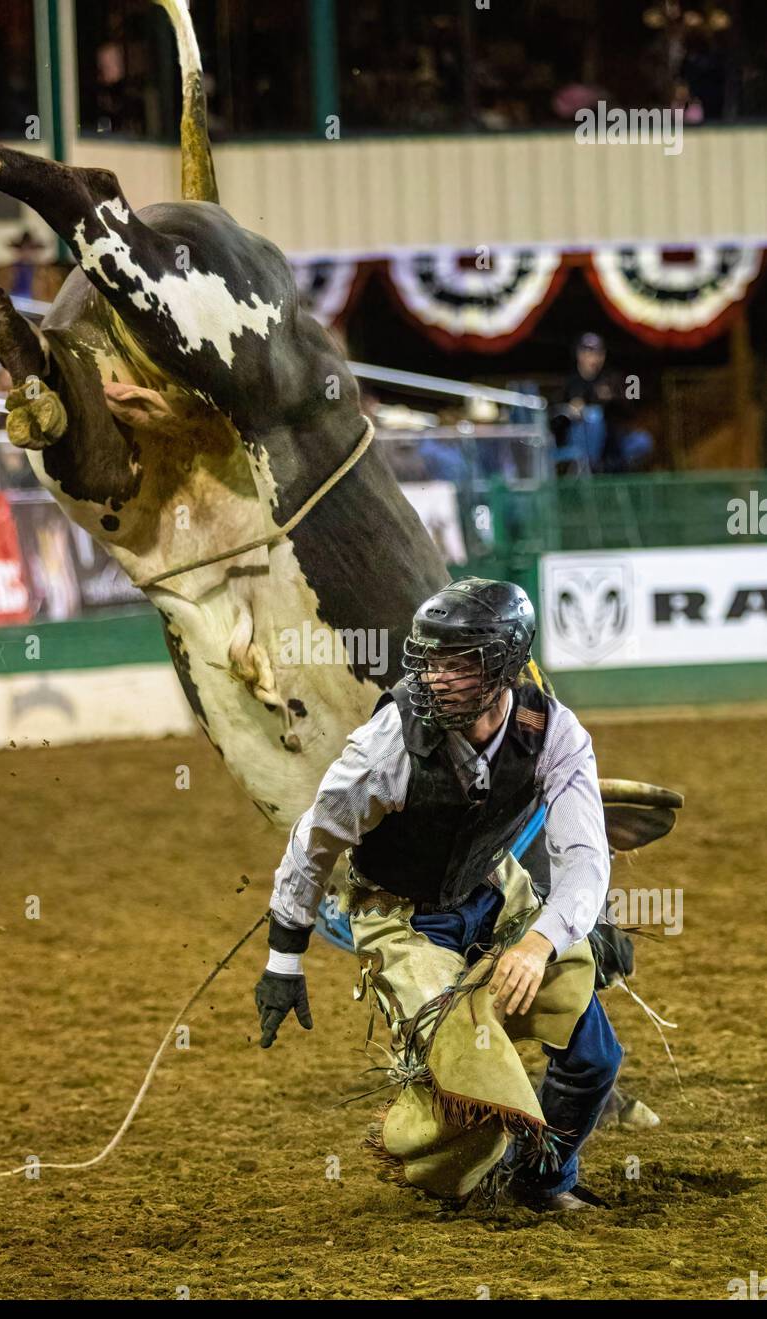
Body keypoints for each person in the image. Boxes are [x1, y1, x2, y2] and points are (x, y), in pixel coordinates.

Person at [255, 577, 623, 1212]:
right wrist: (284, 959)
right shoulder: (386, 746)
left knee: (594, 1057)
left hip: (496, 894)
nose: (436, 679)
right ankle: (464, 1171)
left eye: (459, 664)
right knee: (473, 1082)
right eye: (428, 662)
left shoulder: (554, 733)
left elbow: (586, 860)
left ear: (505, 666)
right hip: (399, 917)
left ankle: (542, 1183)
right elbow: (314, 841)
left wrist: (542, 940)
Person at [558, 332, 653, 473]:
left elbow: (630, 409)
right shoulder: (570, 383)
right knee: (593, 416)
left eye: (598, 352)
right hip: (582, 442)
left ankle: (609, 471)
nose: (593, 358)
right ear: (579, 354)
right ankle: (590, 471)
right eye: (588, 351)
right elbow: (558, 421)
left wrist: (612, 399)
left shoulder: (611, 379)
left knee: (643, 441)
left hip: (612, 441)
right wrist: (574, 409)